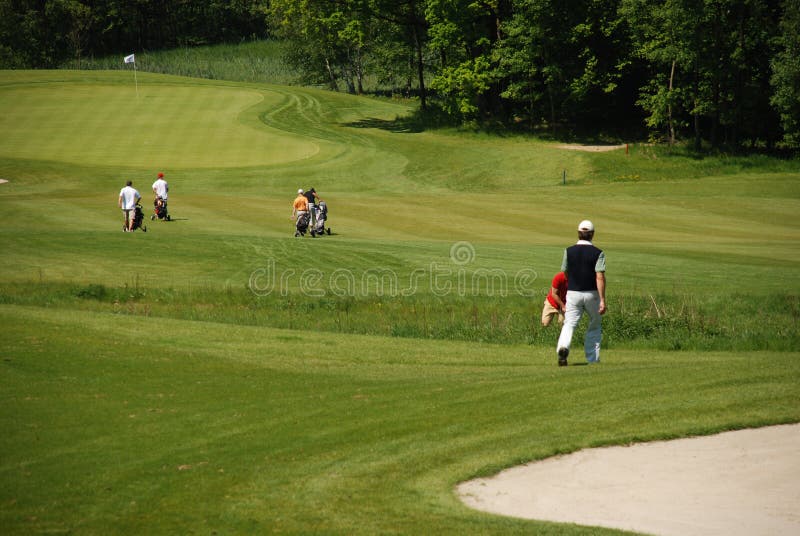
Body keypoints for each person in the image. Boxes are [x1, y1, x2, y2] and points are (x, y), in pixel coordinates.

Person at [556, 220, 606, 366]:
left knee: (569, 324)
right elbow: (600, 277)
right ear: (592, 235)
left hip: (573, 293)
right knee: (595, 324)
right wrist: (602, 299)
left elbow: (565, 271)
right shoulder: (598, 253)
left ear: (578, 233)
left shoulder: (568, 251)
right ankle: (593, 359)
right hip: (591, 293)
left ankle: (563, 348)